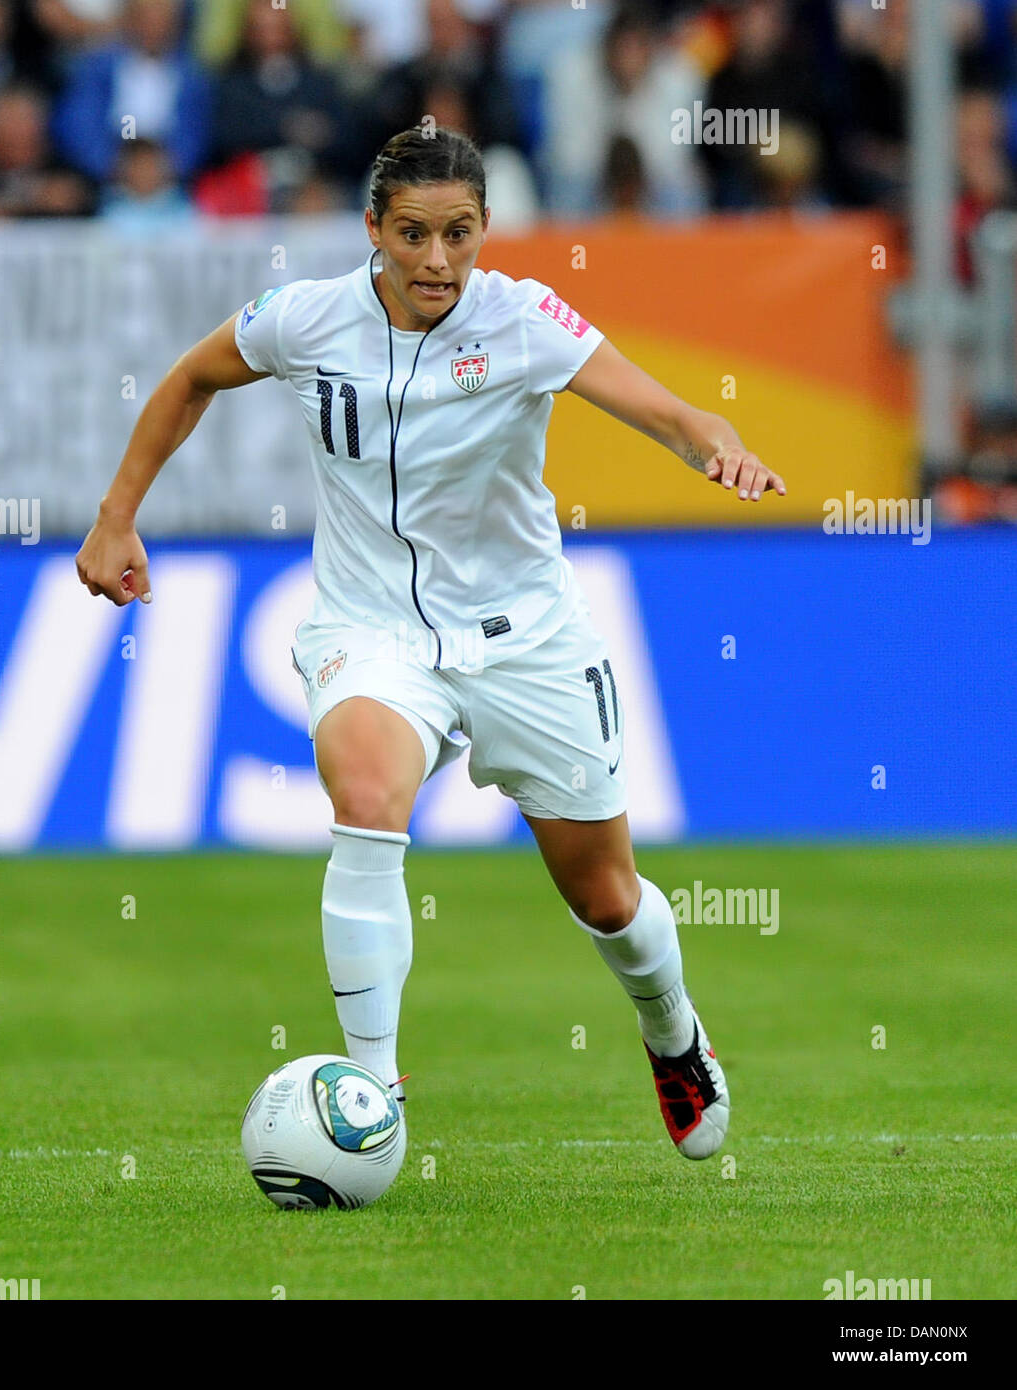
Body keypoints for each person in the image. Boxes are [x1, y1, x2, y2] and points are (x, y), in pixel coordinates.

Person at [75, 127, 786, 1160]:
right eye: (413, 234)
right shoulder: (306, 318)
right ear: (374, 230)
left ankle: (672, 1033)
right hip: (371, 630)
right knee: (366, 800)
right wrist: (115, 515)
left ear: (486, 229)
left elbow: (665, 411)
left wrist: (716, 443)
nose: (438, 260)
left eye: (459, 233)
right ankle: (372, 1094)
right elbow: (190, 378)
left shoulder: (527, 319)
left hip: (525, 637)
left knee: (606, 894)